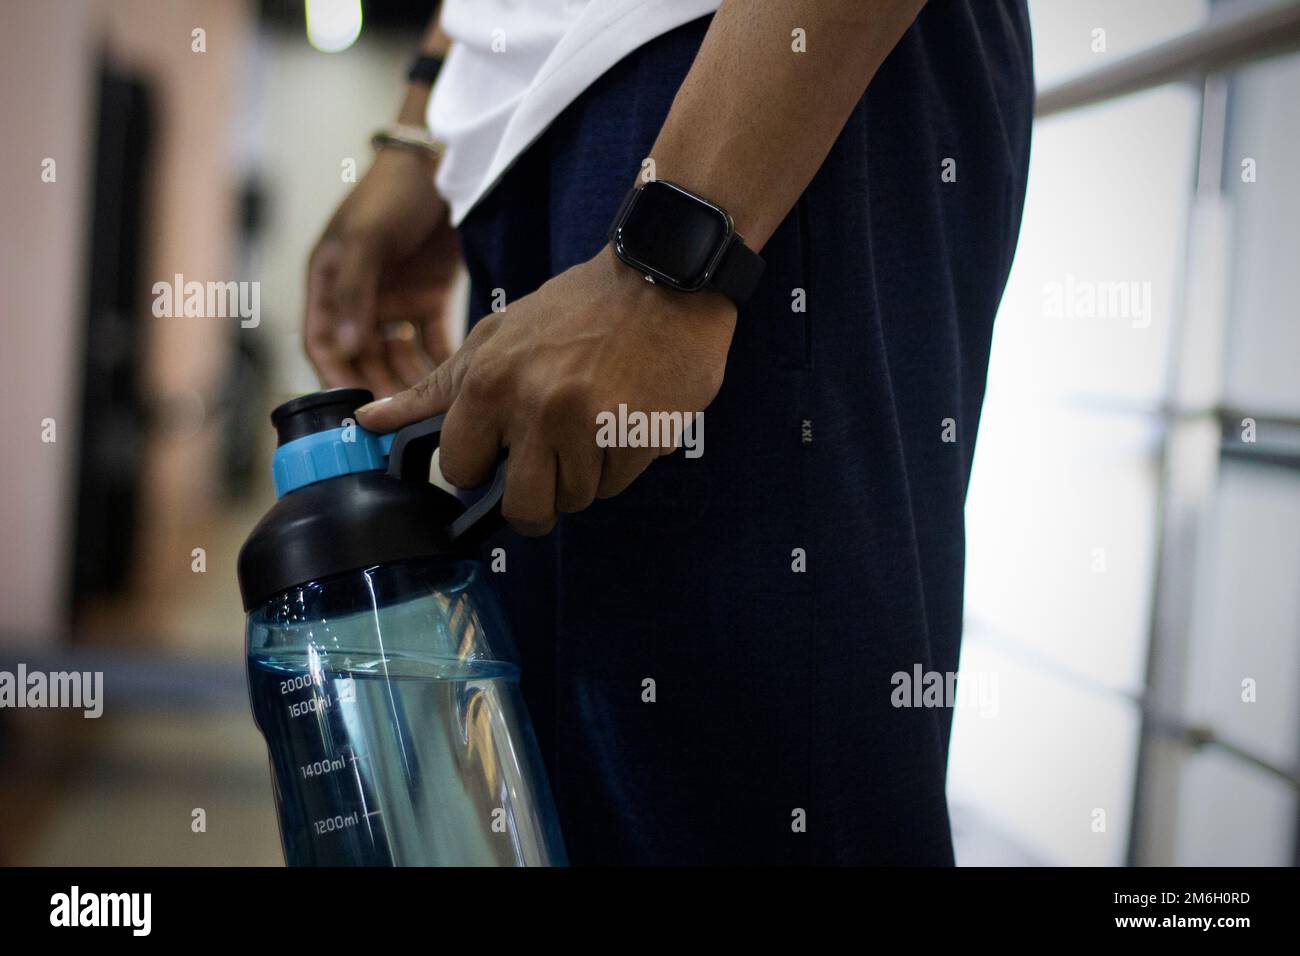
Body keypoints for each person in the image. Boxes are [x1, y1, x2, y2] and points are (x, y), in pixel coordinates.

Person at [304, 0, 1034, 865]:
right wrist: (422, 125)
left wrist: (673, 261)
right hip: (533, 130)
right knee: (566, 816)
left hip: (745, 81)